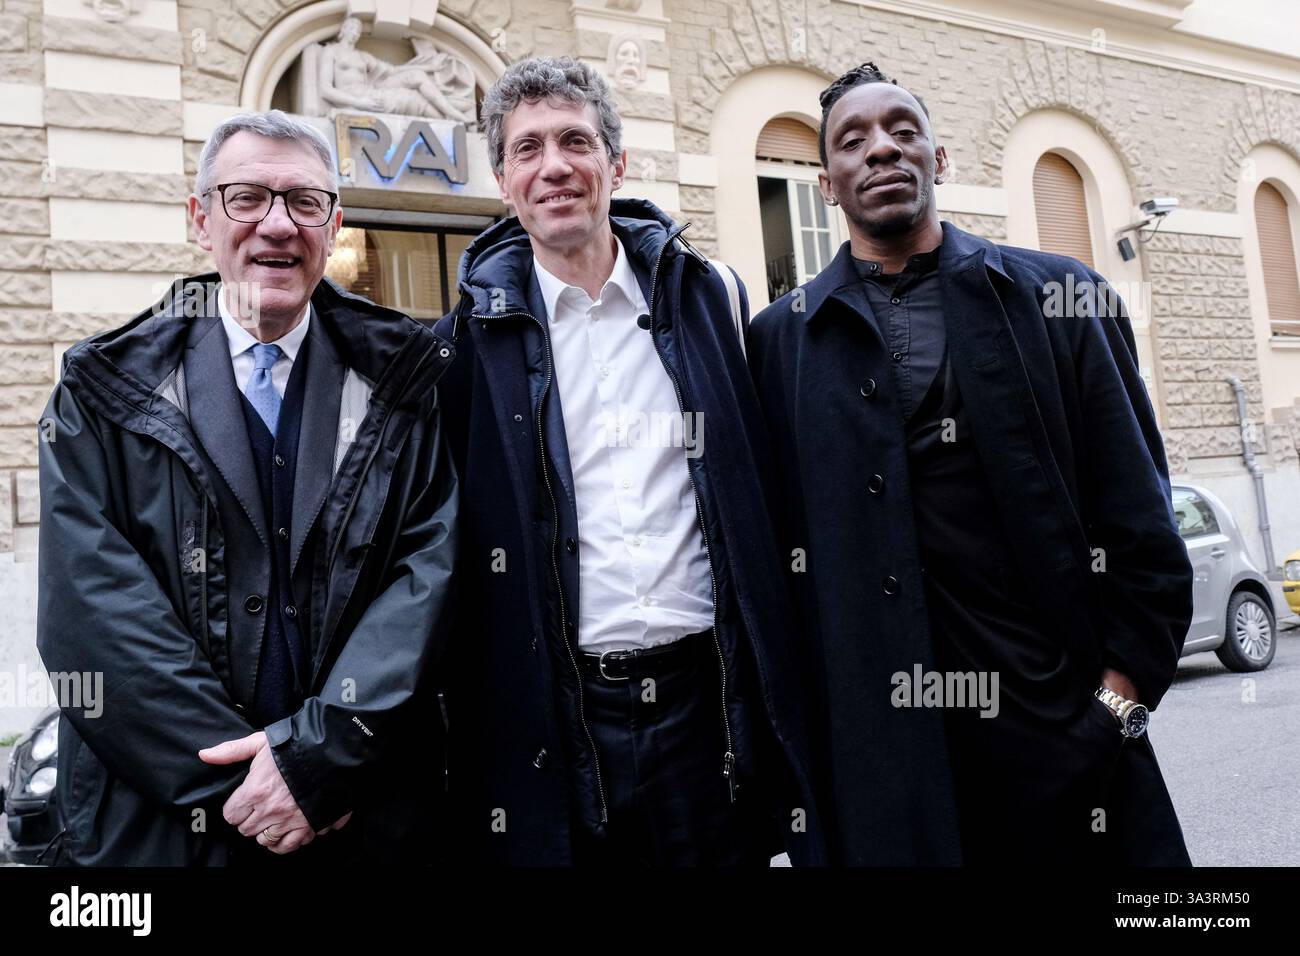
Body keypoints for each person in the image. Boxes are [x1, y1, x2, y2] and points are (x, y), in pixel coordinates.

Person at [747, 62, 1194, 865]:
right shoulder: (780, 341)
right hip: (883, 774)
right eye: (854, 141)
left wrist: (1112, 711)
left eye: (903, 132)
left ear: (940, 160)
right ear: (826, 184)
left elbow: (1142, 525)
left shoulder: (1064, 299)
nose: (881, 150)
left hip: (1064, 752)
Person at [36, 110, 458, 865]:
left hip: (360, 821)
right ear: (201, 219)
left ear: (335, 225)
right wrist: (250, 790)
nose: (277, 224)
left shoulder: (405, 384)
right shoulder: (100, 390)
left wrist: (320, 764)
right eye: (246, 197)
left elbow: (424, 586)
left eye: (303, 202)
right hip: (166, 830)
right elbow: (90, 618)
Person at [433, 56, 824, 866]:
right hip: (563, 713)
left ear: (615, 163)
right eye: (527, 148)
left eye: (575, 140)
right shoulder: (465, 343)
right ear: (503, 181)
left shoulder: (712, 297)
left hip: (709, 703)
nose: (554, 167)